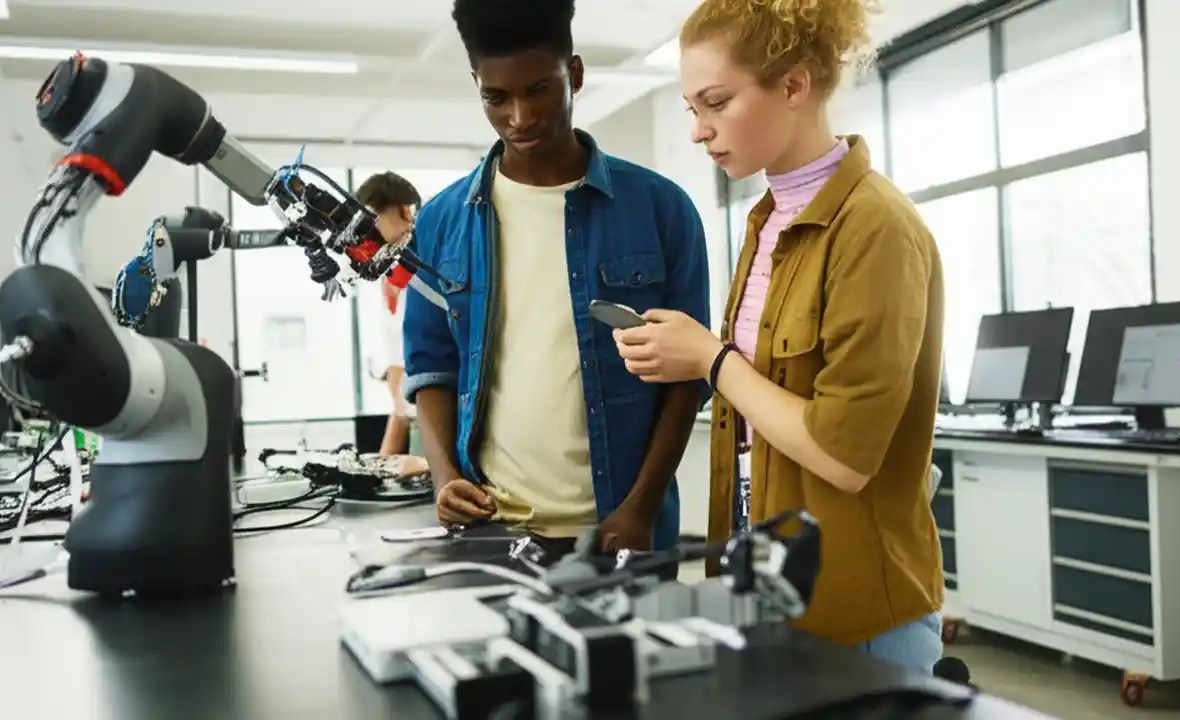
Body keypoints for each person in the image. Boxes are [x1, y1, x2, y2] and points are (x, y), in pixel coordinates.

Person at [612, 0, 946, 673]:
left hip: (856, 611)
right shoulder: (768, 220)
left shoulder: (876, 228)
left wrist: (710, 359)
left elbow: (844, 455)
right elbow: (762, 405)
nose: (700, 132)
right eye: (691, 109)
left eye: (717, 102)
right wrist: (686, 357)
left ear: (794, 85)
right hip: (768, 588)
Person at [403, 0, 710, 553]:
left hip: (622, 532)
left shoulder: (662, 210)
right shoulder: (440, 220)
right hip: (491, 532)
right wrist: (445, 475)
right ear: (477, 85)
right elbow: (431, 368)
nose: (518, 117)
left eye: (537, 90)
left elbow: (687, 380)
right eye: (495, 97)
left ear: (574, 74)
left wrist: (641, 507)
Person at [354, 171, 421, 456]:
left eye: (375, 221)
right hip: (411, 396)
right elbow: (396, 358)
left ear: (405, 211)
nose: (367, 234)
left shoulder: (424, 261)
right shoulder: (388, 272)